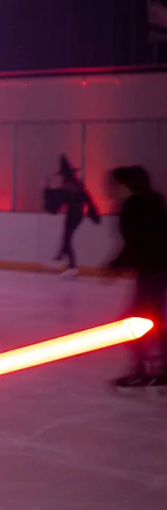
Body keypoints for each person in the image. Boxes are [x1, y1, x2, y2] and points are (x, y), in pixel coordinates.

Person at [107, 165, 167, 389]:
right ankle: (158, 368)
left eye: (113, 184)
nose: (109, 189)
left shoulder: (134, 206)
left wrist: (116, 264)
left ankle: (144, 370)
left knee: (136, 322)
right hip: (158, 269)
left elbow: (137, 241)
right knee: (155, 320)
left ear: (125, 184)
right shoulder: (154, 201)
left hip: (152, 270)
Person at [44, 155, 99, 277]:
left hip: (74, 214)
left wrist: (49, 190)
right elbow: (85, 198)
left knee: (67, 238)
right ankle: (58, 258)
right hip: (76, 213)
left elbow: (61, 200)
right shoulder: (76, 184)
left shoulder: (69, 185)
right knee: (66, 237)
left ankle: (71, 265)